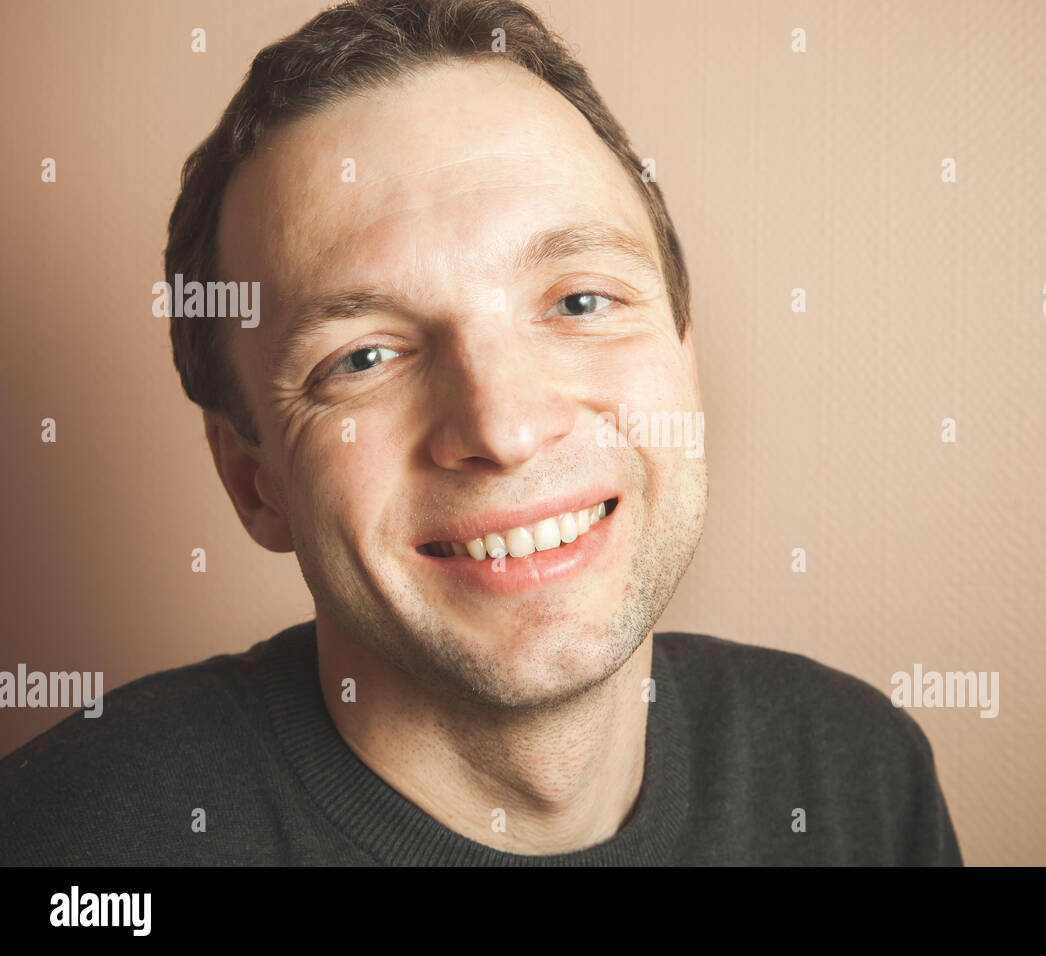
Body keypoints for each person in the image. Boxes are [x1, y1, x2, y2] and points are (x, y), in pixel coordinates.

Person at [0, 0, 961, 865]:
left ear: (684, 357)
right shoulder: (62, 841)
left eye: (582, 300)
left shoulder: (860, 776)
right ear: (254, 481)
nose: (503, 428)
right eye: (363, 358)